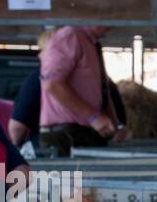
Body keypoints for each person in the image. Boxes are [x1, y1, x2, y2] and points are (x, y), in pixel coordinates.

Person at [38, 25, 118, 156]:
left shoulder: (92, 43)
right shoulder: (70, 36)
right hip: (66, 136)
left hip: (83, 133)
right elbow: (52, 84)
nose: (113, 24)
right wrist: (93, 116)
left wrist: (114, 123)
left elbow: (102, 89)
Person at [8, 29, 52, 148]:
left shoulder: (38, 78)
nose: (39, 55)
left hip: (45, 154)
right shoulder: (89, 77)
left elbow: (16, 127)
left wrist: (18, 146)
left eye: (43, 50)